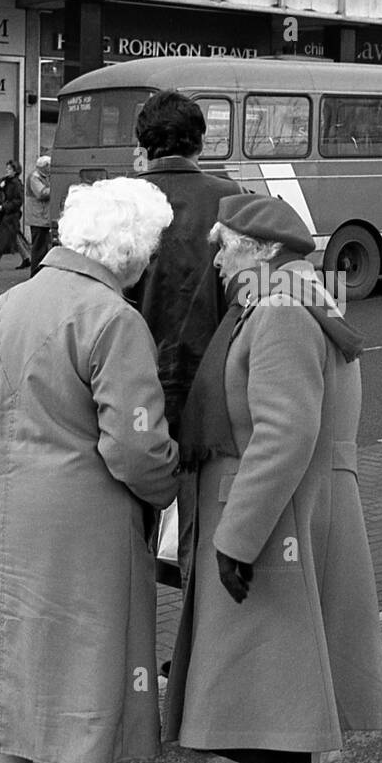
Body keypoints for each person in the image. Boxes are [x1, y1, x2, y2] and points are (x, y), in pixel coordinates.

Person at [164, 193, 382, 763]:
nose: (219, 255)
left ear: (262, 250)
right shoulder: (300, 296)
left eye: (228, 244)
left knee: (251, 698)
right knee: (287, 684)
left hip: (264, 522)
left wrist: (236, 537)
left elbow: (283, 433)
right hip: (297, 515)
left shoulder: (277, 313)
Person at [0, 177, 179, 763]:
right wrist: (171, 488)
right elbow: (136, 450)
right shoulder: (114, 321)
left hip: (6, 514)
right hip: (84, 526)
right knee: (77, 672)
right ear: (132, 253)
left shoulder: (13, 303)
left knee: (12, 656)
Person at [124, 89, 244, 589]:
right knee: (204, 530)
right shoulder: (230, 197)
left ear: (143, 143)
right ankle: (197, 654)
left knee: (131, 534)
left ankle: (131, 654)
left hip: (132, 383)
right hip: (211, 387)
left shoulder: (119, 201)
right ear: (201, 142)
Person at [0, 161, 28, 273]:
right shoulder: (5, 182)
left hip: (11, 215)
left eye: (9, 169)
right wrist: (0, 186)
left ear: (15, 171)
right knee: (15, 237)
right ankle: (26, 258)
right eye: (7, 168)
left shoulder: (17, 184)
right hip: (5, 214)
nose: (7, 171)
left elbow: (18, 201)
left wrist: (3, 207)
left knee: (2, 238)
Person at [24, 154, 52, 276]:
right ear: (45, 167)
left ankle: (40, 273)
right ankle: (35, 273)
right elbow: (41, 193)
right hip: (38, 217)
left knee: (43, 246)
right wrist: (55, 188)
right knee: (38, 247)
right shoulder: (34, 177)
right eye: (50, 166)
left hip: (42, 216)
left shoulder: (44, 176)